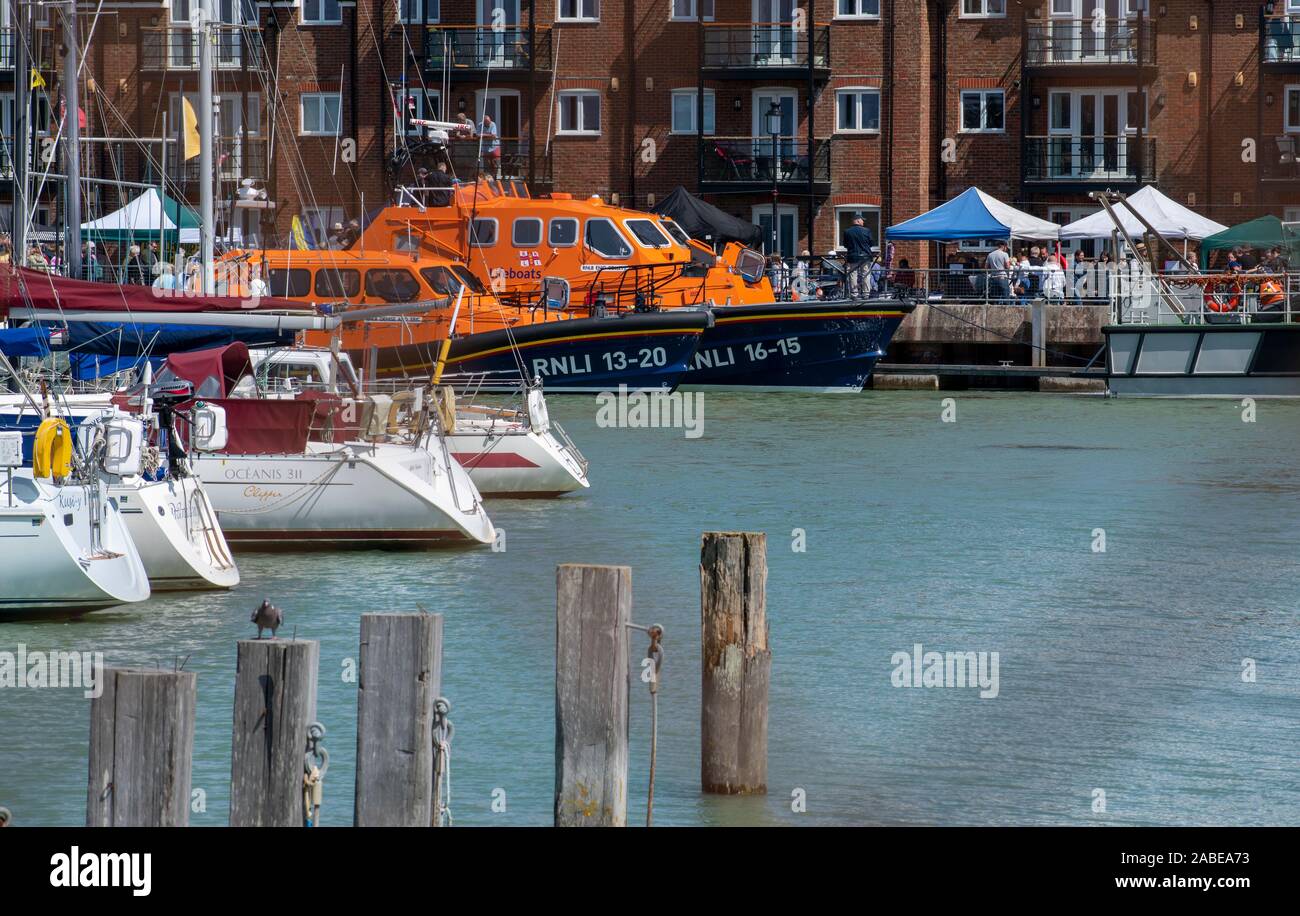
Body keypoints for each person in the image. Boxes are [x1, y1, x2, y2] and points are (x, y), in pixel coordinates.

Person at [842, 215, 875, 298]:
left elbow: (845, 245)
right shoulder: (867, 231)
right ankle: (866, 294)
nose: (863, 222)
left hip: (853, 256)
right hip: (866, 256)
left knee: (853, 275)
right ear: (857, 221)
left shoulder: (847, 231)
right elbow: (871, 243)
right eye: (862, 220)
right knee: (866, 275)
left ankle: (854, 294)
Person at [478, 113, 501, 177]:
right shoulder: (480, 125)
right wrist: (489, 135)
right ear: (484, 122)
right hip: (485, 148)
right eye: (488, 122)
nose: (489, 123)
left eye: (489, 122)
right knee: (488, 164)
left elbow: (493, 136)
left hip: (495, 146)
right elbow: (478, 135)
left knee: (496, 163)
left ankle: (495, 177)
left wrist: (484, 135)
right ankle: (489, 177)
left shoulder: (493, 124)